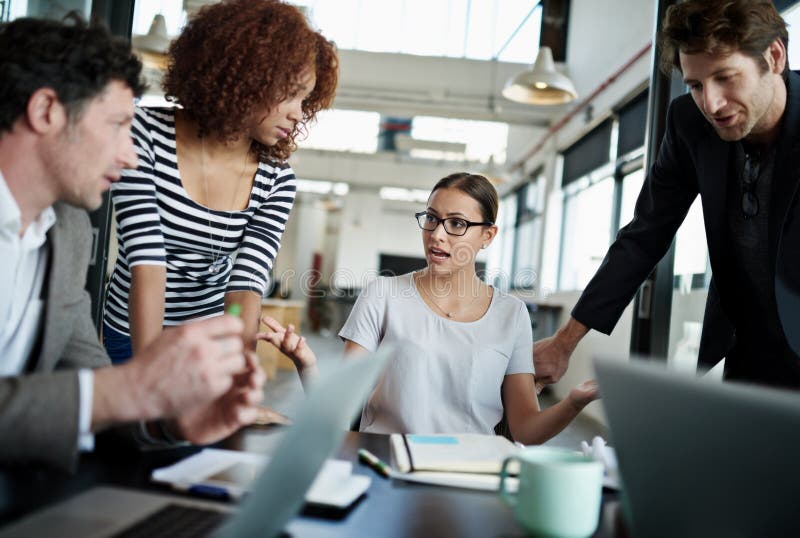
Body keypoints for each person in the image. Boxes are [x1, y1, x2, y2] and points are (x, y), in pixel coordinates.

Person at [0, 16, 265, 470]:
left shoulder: (67, 233)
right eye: (118, 124)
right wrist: (133, 389)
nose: (131, 154)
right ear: (46, 111)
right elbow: (106, 392)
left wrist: (166, 423)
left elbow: (88, 382)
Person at [534, 0, 800, 391]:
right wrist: (564, 342)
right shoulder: (689, 123)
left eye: (726, 77)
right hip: (749, 349)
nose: (711, 103)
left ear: (774, 56)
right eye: (695, 85)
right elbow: (645, 234)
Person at [260, 173, 598, 444]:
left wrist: (573, 402)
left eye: (456, 224)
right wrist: (306, 364)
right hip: (386, 462)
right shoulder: (383, 294)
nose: (437, 235)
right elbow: (340, 409)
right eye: (432, 219)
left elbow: (525, 429)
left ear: (488, 236)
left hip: (469, 473)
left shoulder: (511, 314)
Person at [102, 0, 338, 369]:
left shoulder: (276, 178)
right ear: (245, 77)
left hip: (206, 343)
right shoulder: (142, 133)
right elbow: (147, 265)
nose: (297, 112)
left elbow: (244, 287)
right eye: (289, 93)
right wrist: (146, 377)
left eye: (304, 99)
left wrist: (236, 367)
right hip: (132, 335)